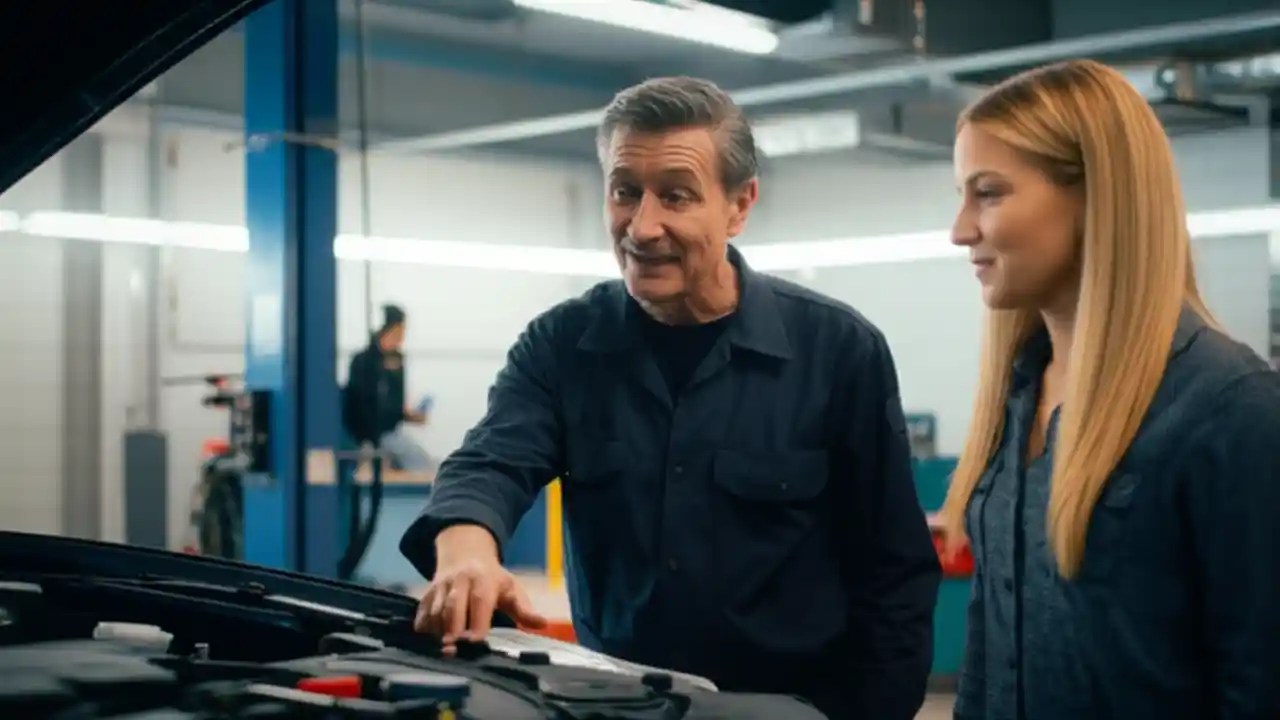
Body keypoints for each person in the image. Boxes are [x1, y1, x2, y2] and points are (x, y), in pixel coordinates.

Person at [399, 76, 940, 719]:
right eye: (625, 191)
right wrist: (466, 549)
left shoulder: (838, 350)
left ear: (740, 206)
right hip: (616, 705)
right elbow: (491, 459)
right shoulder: (562, 345)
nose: (643, 225)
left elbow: (894, 573)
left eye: (676, 197)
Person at [938, 58, 1280, 720]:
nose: (960, 230)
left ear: (1095, 197)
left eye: (988, 193)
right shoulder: (1014, 406)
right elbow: (986, 656)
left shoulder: (1231, 411)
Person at [341, 304, 432, 471]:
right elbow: (361, 404)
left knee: (424, 464)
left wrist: (408, 415)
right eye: (398, 333)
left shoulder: (397, 361)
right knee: (421, 466)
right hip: (369, 436)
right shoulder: (363, 362)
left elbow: (394, 403)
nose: (401, 339)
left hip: (389, 432)